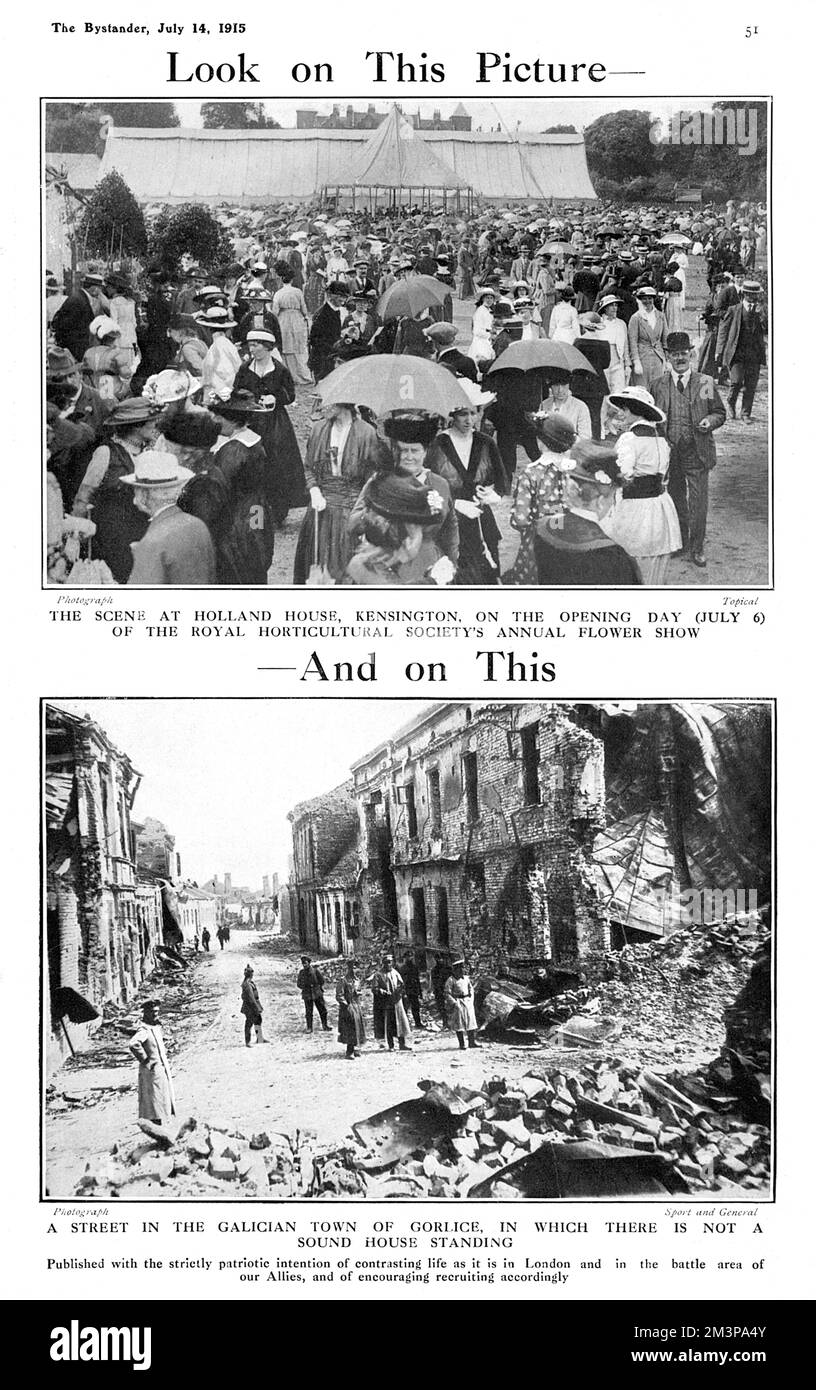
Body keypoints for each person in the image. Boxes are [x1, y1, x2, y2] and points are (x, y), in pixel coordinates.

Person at [652, 331, 726, 569]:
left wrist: (710, 422)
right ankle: (681, 542)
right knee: (675, 500)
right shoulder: (658, 385)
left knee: (698, 501)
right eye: (675, 354)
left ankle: (697, 548)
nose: (680, 358)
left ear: (691, 354)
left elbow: (719, 413)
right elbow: (652, 418)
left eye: (684, 353)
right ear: (668, 356)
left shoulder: (704, 383)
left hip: (697, 451)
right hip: (670, 453)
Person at [293, 403, 387, 585]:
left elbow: (373, 479)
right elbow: (309, 468)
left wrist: (365, 513)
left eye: (327, 403)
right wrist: (314, 491)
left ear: (343, 402)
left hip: (350, 511)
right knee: (315, 569)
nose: (321, 407)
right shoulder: (319, 429)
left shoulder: (366, 433)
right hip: (320, 511)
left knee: (345, 569)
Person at [424, 383, 507, 584]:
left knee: (485, 579)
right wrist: (456, 504)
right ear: (452, 415)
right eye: (463, 414)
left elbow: (502, 481)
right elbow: (428, 488)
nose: (469, 420)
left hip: (481, 522)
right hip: (450, 526)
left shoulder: (486, 442)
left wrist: (492, 494)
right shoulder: (437, 445)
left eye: (473, 412)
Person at [72, 396, 160, 583]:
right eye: (152, 423)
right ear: (137, 426)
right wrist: (77, 535)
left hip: (142, 532)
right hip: (110, 536)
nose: (156, 427)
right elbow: (83, 497)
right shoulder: (106, 452)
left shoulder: (152, 453)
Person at [535, 439, 643, 585]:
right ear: (599, 501)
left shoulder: (546, 527)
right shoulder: (614, 555)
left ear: (571, 490)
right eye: (612, 497)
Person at [604, 385, 681, 585]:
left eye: (625, 409)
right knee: (654, 558)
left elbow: (623, 474)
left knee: (632, 555)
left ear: (635, 412)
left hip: (635, 507)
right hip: (659, 505)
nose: (621, 413)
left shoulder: (629, 439)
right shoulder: (661, 439)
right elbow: (663, 475)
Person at [233, 329, 307, 516]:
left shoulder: (280, 370)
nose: (252, 349)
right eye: (250, 345)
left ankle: (279, 511)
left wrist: (276, 397)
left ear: (267, 347)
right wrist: (245, 398)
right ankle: (255, 512)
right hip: (251, 421)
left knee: (277, 463)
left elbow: (290, 395)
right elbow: (237, 391)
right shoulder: (245, 368)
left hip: (275, 423)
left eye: (256, 345)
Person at [343, 472, 455, 586]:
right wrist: (434, 581)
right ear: (407, 542)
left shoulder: (365, 563)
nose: (420, 537)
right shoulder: (363, 568)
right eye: (417, 531)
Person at [124, 450, 217, 585]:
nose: (134, 498)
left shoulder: (151, 542)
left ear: (144, 494)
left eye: (136, 489)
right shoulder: (198, 525)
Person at [508, 413, 577, 584]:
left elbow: (520, 519)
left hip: (538, 545)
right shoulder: (577, 471)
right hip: (573, 544)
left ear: (540, 442)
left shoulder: (532, 473)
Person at [715, 279, 766, 423]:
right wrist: (719, 350)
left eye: (755, 295)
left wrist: (760, 316)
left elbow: (766, 330)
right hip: (736, 353)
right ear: (744, 294)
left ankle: (745, 413)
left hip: (754, 354)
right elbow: (723, 331)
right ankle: (731, 403)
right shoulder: (734, 310)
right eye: (749, 294)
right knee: (736, 382)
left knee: (751, 384)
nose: (752, 298)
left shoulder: (760, 311)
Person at [129, 1001, 176, 1129]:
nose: (156, 1014)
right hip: (151, 1071)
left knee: (161, 1100)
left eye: (157, 1011)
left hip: (160, 1069)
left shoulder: (155, 1028)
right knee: (154, 1103)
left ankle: (161, 1127)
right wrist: (145, 1060)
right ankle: (157, 1129)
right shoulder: (144, 1030)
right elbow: (133, 1044)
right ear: (147, 1013)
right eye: (153, 1012)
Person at [52, 273, 108, 361]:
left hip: (76, 345)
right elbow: (66, 324)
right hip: (74, 347)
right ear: (94, 288)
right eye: (100, 288)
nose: (100, 292)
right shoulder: (79, 300)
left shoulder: (81, 297)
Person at [272, 265, 312, 385]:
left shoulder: (278, 293)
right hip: (297, 318)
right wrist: (304, 316)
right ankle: (302, 375)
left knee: (287, 347)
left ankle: (290, 374)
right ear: (292, 280)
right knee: (299, 347)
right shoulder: (298, 292)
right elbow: (304, 308)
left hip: (283, 319)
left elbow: (275, 311)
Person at [82, 316, 135, 401]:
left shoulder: (88, 352)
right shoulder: (116, 352)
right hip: (110, 387)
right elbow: (125, 373)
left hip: (91, 386)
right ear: (113, 339)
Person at [628, 286, 668, 391]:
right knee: (642, 390)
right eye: (644, 298)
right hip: (643, 358)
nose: (647, 301)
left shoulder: (661, 316)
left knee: (658, 389)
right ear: (640, 300)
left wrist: (667, 360)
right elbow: (632, 342)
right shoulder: (636, 317)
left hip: (658, 358)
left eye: (650, 298)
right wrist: (636, 361)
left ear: (653, 299)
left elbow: (665, 340)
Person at [309, 282, 351, 381]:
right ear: (331, 296)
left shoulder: (336, 311)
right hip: (322, 359)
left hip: (331, 357)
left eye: (345, 297)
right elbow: (314, 339)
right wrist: (334, 348)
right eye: (341, 296)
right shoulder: (321, 314)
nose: (343, 300)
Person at [535, 368, 592, 440]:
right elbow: (540, 434)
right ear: (550, 387)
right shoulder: (544, 405)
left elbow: (585, 437)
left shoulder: (580, 407)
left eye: (564, 385)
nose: (560, 390)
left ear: (569, 385)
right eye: (556, 385)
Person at [378, 954, 412, 1052]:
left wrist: (400, 991)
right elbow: (375, 988)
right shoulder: (379, 975)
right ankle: (391, 1045)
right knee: (389, 1023)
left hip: (397, 1001)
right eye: (386, 962)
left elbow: (401, 984)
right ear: (383, 963)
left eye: (390, 962)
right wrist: (383, 992)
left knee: (400, 1022)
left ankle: (402, 1044)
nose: (389, 964)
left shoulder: (395, 973)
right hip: (387, 1002)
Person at [444, 960, 480, 1050]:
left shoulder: (466, 979)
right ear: (455, 970)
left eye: (462, 969)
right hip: (458, 1002)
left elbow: (471, 989)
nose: (461, 971)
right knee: (459, 1023)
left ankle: (472, 1042)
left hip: (467, 1001)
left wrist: (471, 999)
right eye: (459, 969)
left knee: (470, 1022)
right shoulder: (451, 980)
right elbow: (447, 993)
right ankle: (462, 1044)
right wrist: (454, 1003)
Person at [336, 961, 366, 1060]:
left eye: (355, 968)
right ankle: (349, 1052)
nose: (353, 970)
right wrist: (346, 1006)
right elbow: (339, 995)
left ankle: (356, 1048)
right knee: (350, 1029)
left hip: (356, 1006)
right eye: (351, 968)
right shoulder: (343, 980)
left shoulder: (357, 981)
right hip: (347, 1008)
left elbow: (359, 992)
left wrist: (359, 994)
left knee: (358, 1028)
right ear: (348, 969)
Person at [296, 956, 330, 1032]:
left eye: (305, 963)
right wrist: (305, 987)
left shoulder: (315, 971)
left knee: (322, 1010)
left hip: (317, 993)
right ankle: (309, 1028)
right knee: (308, 1012)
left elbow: (322, 981)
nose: (304, 965)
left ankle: (325, 1026)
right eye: (303, 964)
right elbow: (298, 984)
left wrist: (317, 987)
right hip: (307, 994)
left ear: (309, 963)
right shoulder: (301, 973)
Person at [240, 964, 266, 1046]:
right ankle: (247, 1042)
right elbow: (251, 998)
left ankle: (260, 1038)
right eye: (251, 974)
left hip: (253, 1004)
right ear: (250, 975)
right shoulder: (247, 984)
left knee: (258, 1020)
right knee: (249, 1023)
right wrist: (256, 1007)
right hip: (250, 1006)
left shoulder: (249, 982)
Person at [400, 951, 423, 1029]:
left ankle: (418, 1023)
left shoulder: (414, 967)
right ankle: (405, 1025)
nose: (410, 958)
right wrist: (403, 992)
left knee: (416, 1008)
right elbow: (402, 981)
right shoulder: (402, 968)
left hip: (414, 991)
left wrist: (420, 992)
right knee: (405, 1008)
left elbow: (417, 980)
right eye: (408, 957)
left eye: (411, 956)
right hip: (406, 991)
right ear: (405, 958)